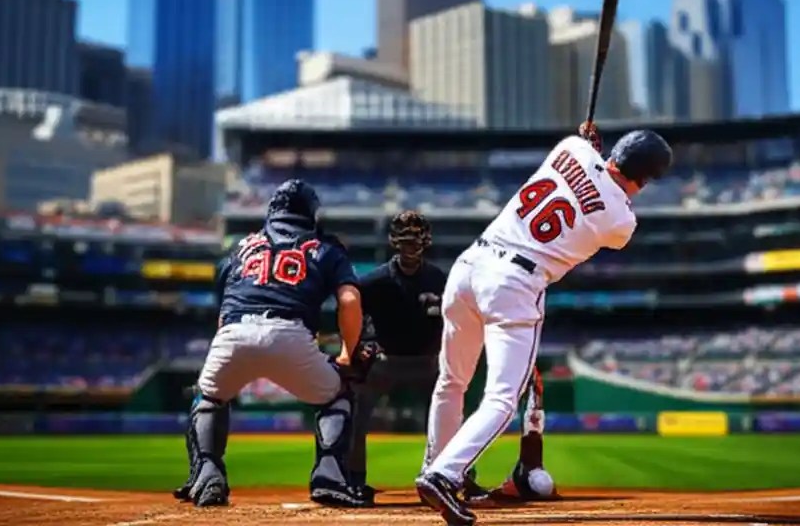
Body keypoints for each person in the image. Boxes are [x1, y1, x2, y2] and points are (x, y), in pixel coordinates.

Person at [414, 123, 672, 525]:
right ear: (644, 176)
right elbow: (611, 203)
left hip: (469, 266)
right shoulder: (622, 222)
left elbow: (585, 165)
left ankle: (436, 463)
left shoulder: (570, 147)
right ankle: (443, 475)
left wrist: (590, 149)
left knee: (452, 382)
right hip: (514, 285)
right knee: (501, 398)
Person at [174, 179, 376, 508]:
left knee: (209, 396)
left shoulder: (241, 247)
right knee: (338, 394)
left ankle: (207, 473)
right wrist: (346, 355)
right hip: (290, 335)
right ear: (312, 214)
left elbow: (224, 310)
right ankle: (329, 476)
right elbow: (351, 301)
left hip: (232, 334)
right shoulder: (326, 248)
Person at [346, 210, 489, 505]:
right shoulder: (374, 281)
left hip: (428, 363)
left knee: (453, 413)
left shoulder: (440, 279)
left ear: (426, 242)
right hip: (385, 362)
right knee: (355, 412)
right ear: (394, 242)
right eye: (405, 240)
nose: (410, 246)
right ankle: (354, 481)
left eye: (416, 240)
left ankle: (459, 479)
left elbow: (459, 320)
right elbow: (349, 312)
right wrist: (361, 345)